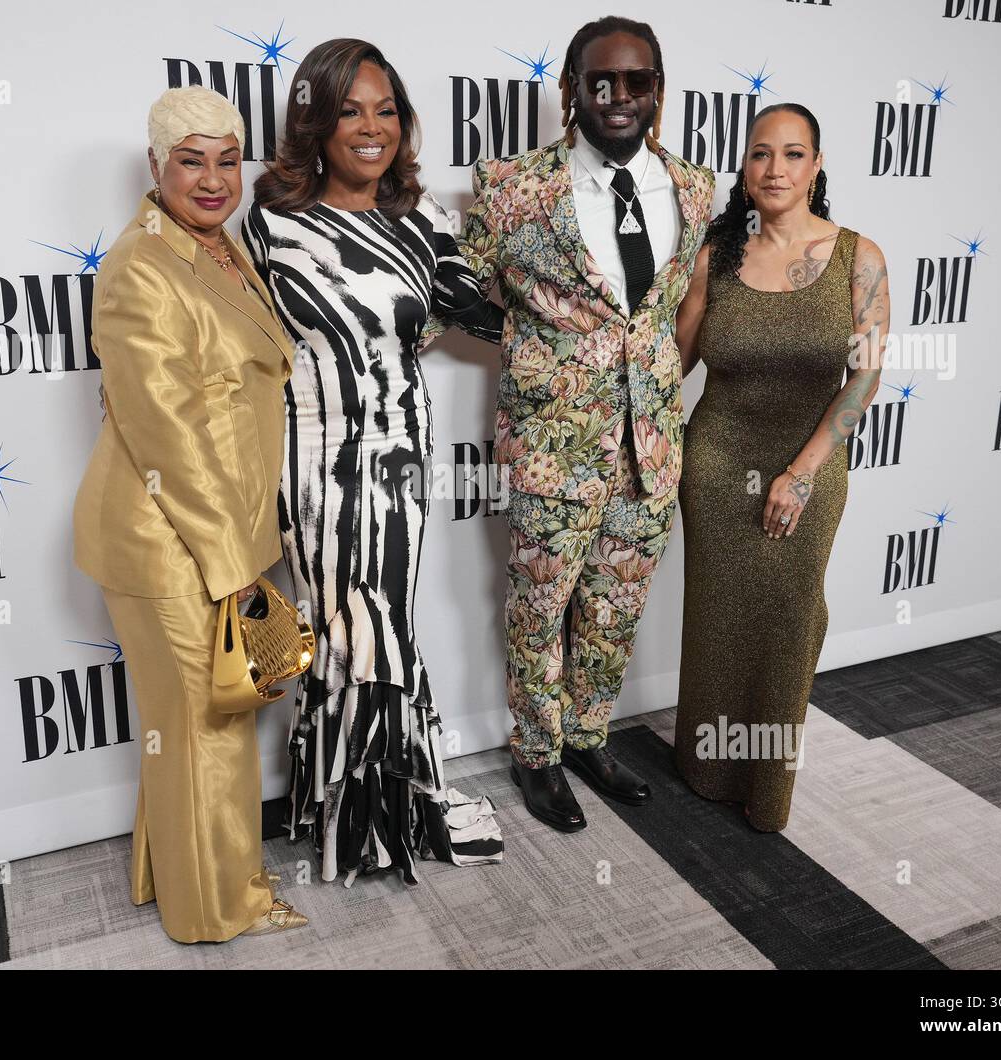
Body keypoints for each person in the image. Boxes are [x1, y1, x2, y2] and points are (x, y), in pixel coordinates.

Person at [241, 39, 506, 885]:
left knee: (382, 618)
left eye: (386, 109)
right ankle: (346, 812)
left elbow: (495, 315)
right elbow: (227, 336)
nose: (370, 127)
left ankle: (379, 806)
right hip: (310, 455)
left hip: (397, 452)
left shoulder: (421, 220)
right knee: (338, 623)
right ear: (314, 119)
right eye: (349, 109)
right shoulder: (267, 222)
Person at [457, 16, 715, 832]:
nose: (619, 96)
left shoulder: (696, 188)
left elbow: (678, 311)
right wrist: (541, 353)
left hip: (651, 450)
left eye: (638, 81)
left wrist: (658, 387)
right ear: (571, 89)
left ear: (658, 94)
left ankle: (588, 737)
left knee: (613, 610)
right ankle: (537, 753)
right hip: (550, 452)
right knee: (540, 608)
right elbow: (458, 290)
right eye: (601, 80)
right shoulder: (512, 187)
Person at [72, 85, 308, 940]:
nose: (212, 180)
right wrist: (233, 566)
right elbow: (164, 436)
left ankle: (164, 880)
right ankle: (221, 912)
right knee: (209, 725)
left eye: (226, 160)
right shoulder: (139, 266)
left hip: (213, 529)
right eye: (189, 160)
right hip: (168, 536)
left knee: (181, 724)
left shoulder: (217, 246)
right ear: (154, 165)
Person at [672, 102, 889, 832]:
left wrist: (800, 472)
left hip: (813, 459)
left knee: (792, 616)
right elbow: (673, 362)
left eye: (793, 155)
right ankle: (705, 766)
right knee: (716, 618)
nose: (775, 169)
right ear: (745, 166)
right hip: (716, 459)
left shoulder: (859, 259)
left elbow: (864, 379)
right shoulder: (716, 257)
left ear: (816, 165)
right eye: (761, 154)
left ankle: (766, 789)